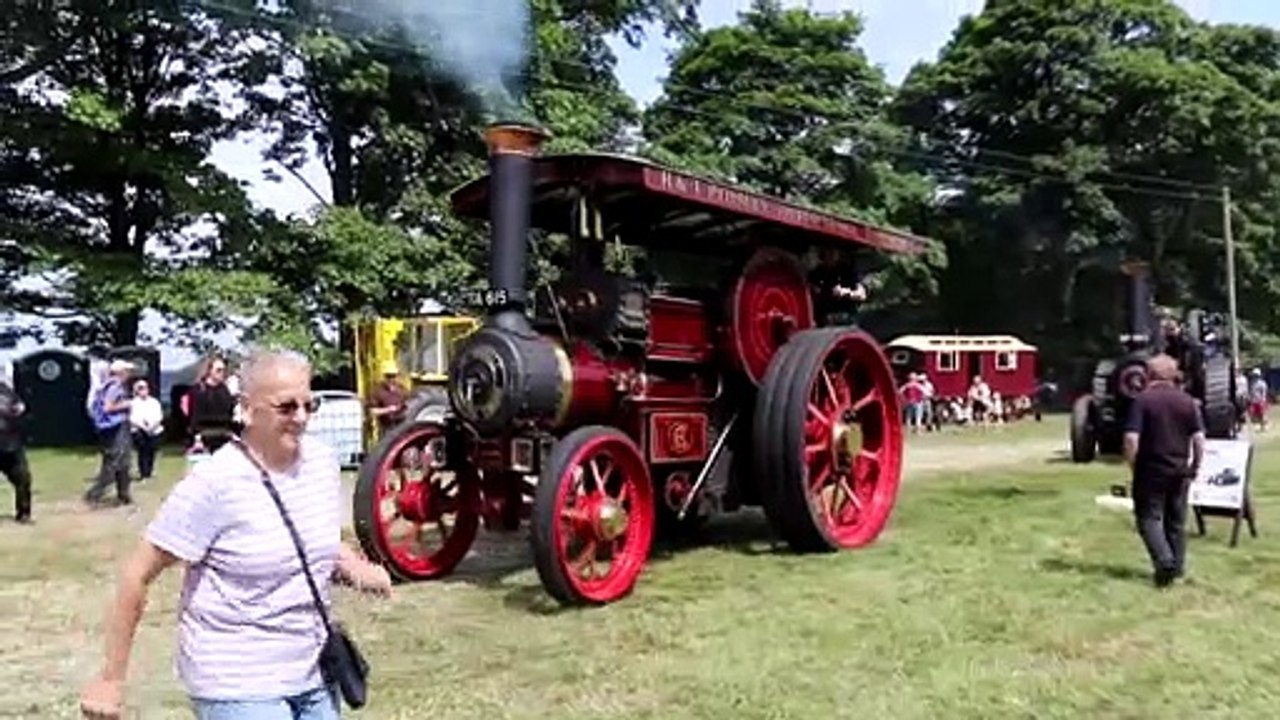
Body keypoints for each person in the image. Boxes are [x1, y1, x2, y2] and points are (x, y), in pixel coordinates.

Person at [79, 349, 393, 720]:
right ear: (247, 409)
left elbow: (312, 536)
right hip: (236, 679)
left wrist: (355, 567)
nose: (301, 417)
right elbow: (138, 573)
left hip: (313, 671)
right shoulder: (215, 483)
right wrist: (111, 679)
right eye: (286, 407)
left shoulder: (321, 464)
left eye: (310, 405)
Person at [1123, 353, 1205, 588]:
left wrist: (1134, 465)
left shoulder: (1142, 401)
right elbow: (1199, 439)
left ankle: (1164, 560)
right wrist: (1195, 466)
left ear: (1149, 375)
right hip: (1179, 468)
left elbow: (1131, 438)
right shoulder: (1187, 401)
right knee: (1176, 521)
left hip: (1151, 469)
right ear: (1173, 375)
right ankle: (1177, 569)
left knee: (1149, 518)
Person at [84, 359, 135, 508]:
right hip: (116, 427)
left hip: (112, 427)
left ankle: (124, 495)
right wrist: (128, 404)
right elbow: (108, 407)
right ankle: (95, 494)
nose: (130, 374)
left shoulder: (107, 385)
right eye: (128, 371)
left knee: (123, 462)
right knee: (115, 462)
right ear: (121, 372)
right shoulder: (115, 386)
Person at [187, 354, 237, 454]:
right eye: (218, 370)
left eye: (223, 370)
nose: (222, 373)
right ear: (209, 371)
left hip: (225, 436)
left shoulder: (224, 390)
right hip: (205, 436)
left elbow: (231, 413)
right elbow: (194, 417)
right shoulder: (198, 390)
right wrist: (197, 438)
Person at [0, 371, 32, 524]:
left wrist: (17, 410)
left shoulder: (5, 390)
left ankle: (23, 513)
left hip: (11, 444)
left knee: (23, 478)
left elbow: (20, 407)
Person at [809, 246, 868, 326]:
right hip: (823, 318)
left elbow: (862, 295)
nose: (831, 255)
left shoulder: (847, 271)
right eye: (828, 252)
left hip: (845, 316)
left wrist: (845, 292)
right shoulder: (816, 273)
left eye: (834, 252)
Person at [128, 378, 164, 482]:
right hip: (139, 430)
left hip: (154, 430)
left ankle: (149, 472)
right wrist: (143, 426)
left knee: (151, 451)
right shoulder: (133, 403)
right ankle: (143, 473)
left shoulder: (154, 402)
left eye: (145, 388)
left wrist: (152, 426)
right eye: (140, 388)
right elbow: (132, 418)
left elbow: (159, 416)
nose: (143, 390)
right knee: (143, 452)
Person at [367, 360, 407, 435]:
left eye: (393, 376)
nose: (391, 379)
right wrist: (388, 410)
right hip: (386, 428)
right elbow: (372, 411)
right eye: (388, 376)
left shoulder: (402, 389)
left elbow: (408, 406)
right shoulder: (377, 391)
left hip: (401, 426)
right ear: (383, 376)